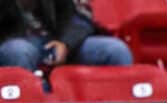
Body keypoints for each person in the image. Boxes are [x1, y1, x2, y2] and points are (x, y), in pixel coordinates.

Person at [0, 0, 130, 74]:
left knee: (115, 50)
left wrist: (66, 44)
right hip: (13, 42)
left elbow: (82, 17)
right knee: (19, 51)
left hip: (57, 40)